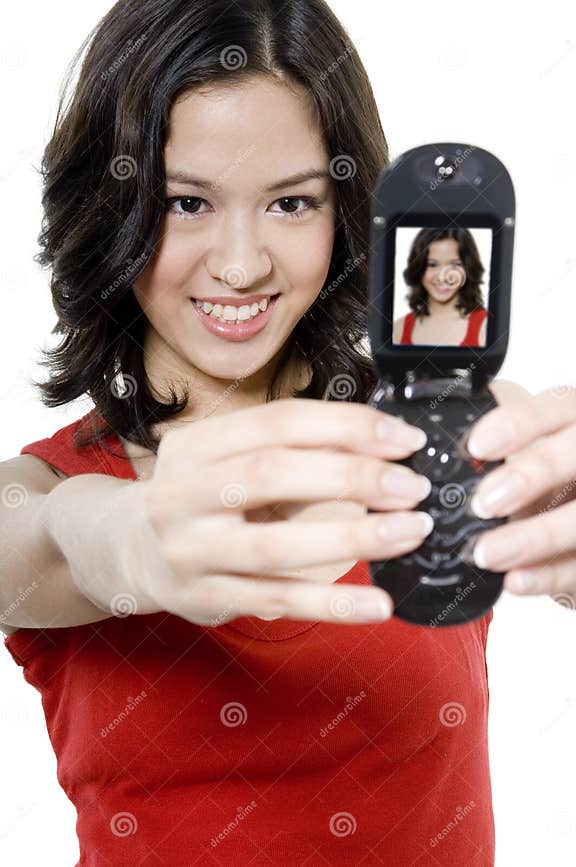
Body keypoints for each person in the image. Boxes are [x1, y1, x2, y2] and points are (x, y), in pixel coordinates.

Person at [1, 1, 575, 865]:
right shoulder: (39, 490)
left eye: (292, 203)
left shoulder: (439, 440)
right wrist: (122, 535)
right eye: (186, 203)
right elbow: (43, 540)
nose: (241, 264)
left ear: (346, 210)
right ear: (109, 210)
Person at [393, 228, 488, 347]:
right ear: (419, 268)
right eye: (432, 265)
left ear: (468, 268)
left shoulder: (487, 326)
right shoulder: (399, 329)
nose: (442, 277)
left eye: (454, 264)